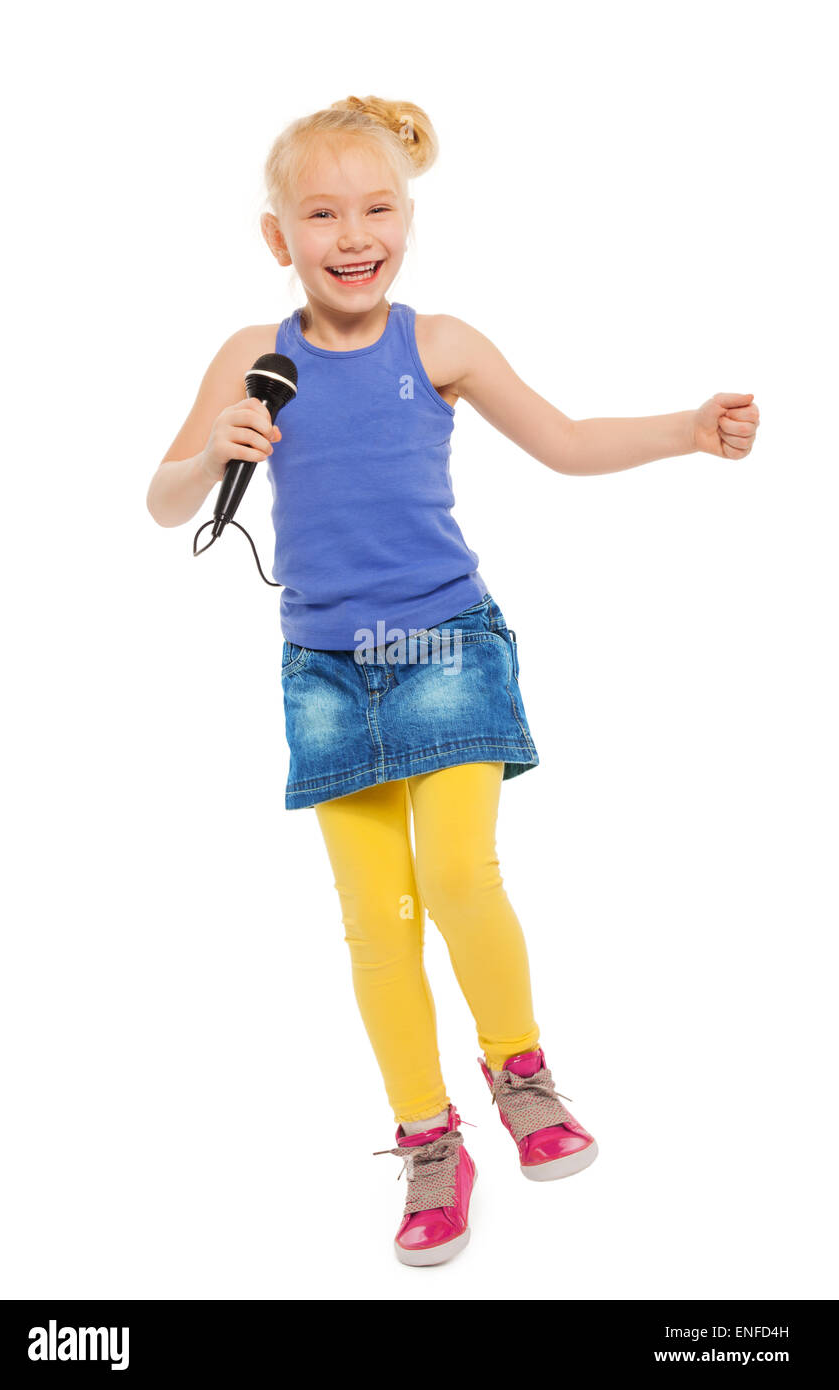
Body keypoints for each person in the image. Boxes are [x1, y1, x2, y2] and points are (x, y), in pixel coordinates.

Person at [146, 94, 760, 1268]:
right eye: (321, 212)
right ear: (279, 237)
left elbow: (568, 440)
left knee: (459, 872)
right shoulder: (252, 356)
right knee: (375, 923)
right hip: (327, 671)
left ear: (408, 220)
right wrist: (212, 448)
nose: (351, 231)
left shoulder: (442, 344)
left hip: (443, 645)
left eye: (375, 207)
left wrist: (688, 428)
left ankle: (521, 1072)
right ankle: (432, 1139)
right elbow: (163, 499)